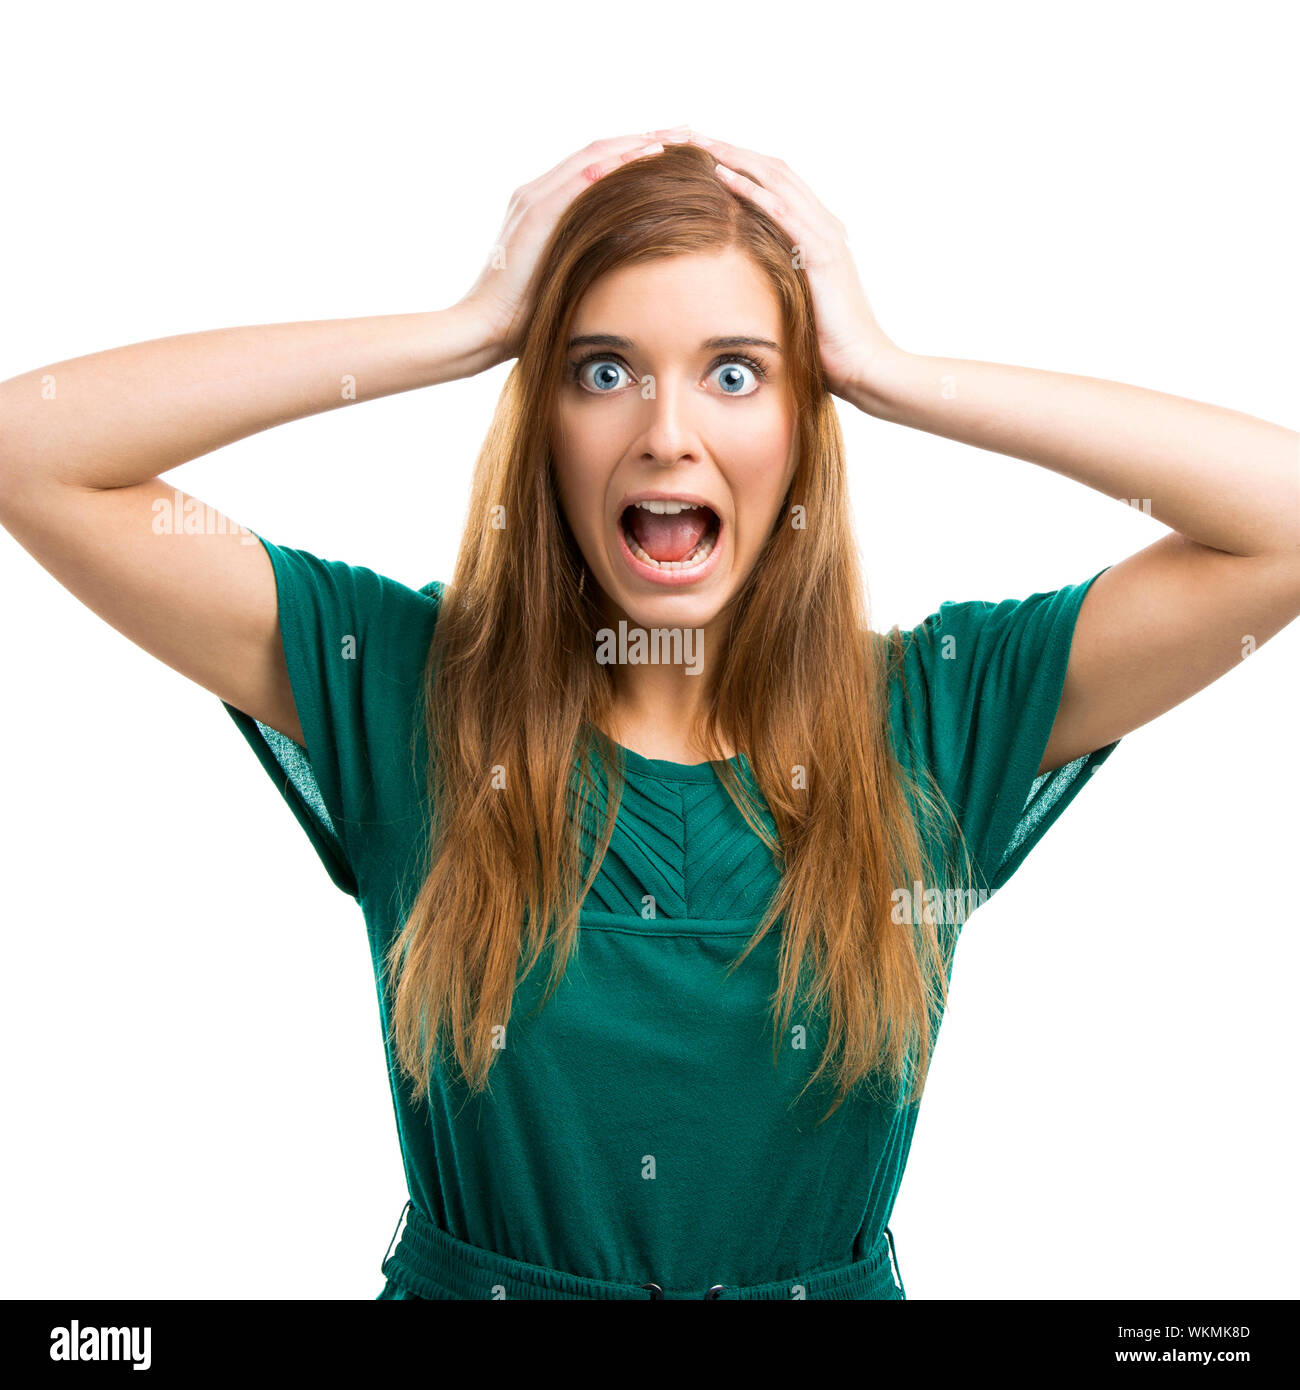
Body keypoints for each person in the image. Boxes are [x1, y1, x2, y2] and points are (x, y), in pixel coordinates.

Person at [1, 128, 1295, 1301]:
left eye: (737, 374)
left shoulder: (937, 715)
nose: (668, 431)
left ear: (804, 423)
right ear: (541, 418)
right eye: (603, 368)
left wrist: (894, 373)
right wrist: (459, 329)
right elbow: (31, 451)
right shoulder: (402, 687)